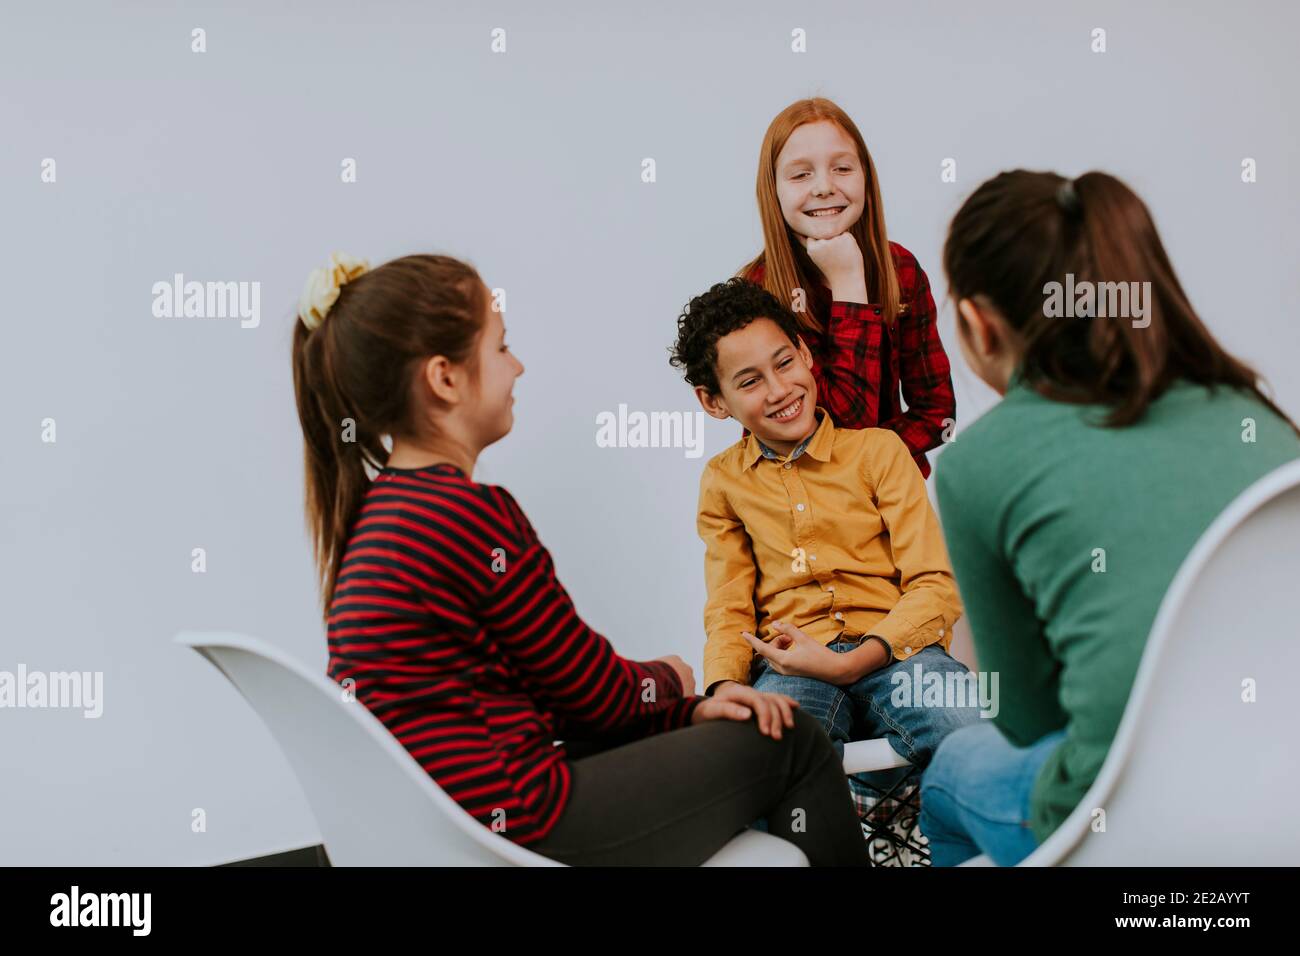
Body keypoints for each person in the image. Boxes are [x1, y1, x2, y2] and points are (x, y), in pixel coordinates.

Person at [290, 251, 870, 866]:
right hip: (523, 819)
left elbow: (558, 696)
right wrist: (675, 680)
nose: (518, 366)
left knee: (739, 731)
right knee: (793, 741)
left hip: (459, 825)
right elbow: (592, 695)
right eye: (501, 347)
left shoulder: (381, 518)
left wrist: (691, 711)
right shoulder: (464, 514)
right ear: (445, 379)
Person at [920, 170, 1300, 865]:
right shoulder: (1262, 421)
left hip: (1126, 828)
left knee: (949, 772)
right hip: (1281, 801)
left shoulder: (978, 463)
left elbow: (1028, 721)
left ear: (978, 322)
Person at [668, 277, 983, 836]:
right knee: (767, 765)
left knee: (964, 725)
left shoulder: (879, 452)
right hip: (789, 664)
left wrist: (855, 659)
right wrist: (725, 684)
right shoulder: (721, 483)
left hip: (898, 652)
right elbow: (730, 606)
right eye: (749, 381)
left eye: (784, 362)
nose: (779, 388)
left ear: (806, 353)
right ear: (713, 401)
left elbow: (934, 584)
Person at [738, 97, 956, 478]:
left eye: (842, 168)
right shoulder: (756, 294)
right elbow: (832, 426)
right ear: (773, 191)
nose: (824, 187)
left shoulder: (899, 269)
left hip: (887, 501)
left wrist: (869, 461)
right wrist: (848, 284)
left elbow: (937, 412)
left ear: (866, 179)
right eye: (801, 174)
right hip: (799, 506)